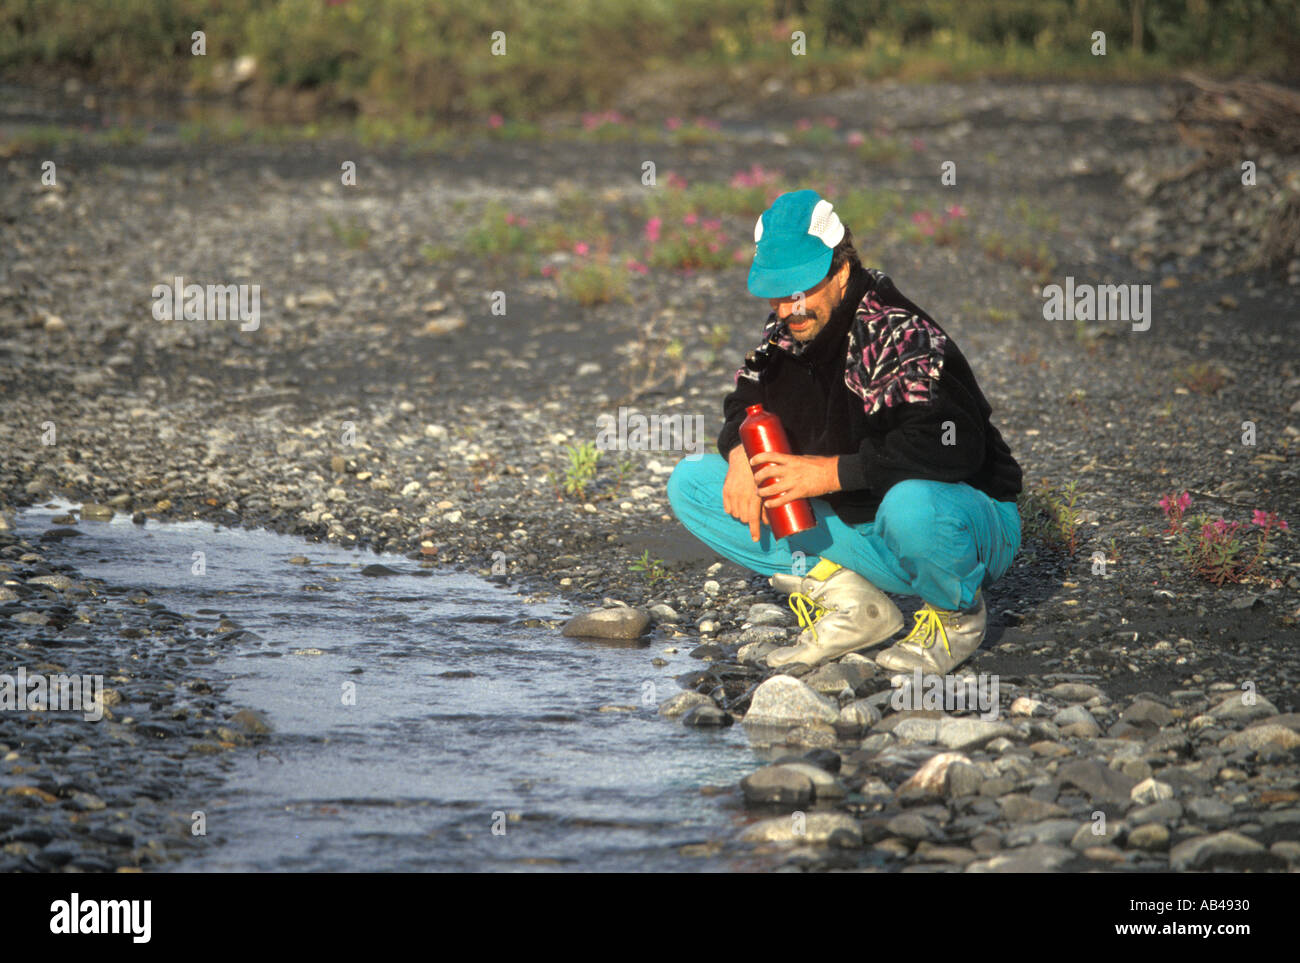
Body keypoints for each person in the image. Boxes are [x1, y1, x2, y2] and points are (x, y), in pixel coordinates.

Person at [667, 189, 1023, 674]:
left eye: (803, 288)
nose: (790, 308)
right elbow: (743, 402)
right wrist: (739, 455)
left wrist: (830, 473)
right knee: (693, 482)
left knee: (910, 504)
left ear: (841, 271)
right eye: (779, 291)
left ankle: (956, 615)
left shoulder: (899, 333)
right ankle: (857, 608)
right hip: (860, 531)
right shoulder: (785, 335)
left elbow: (953, 445)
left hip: (956, 526)